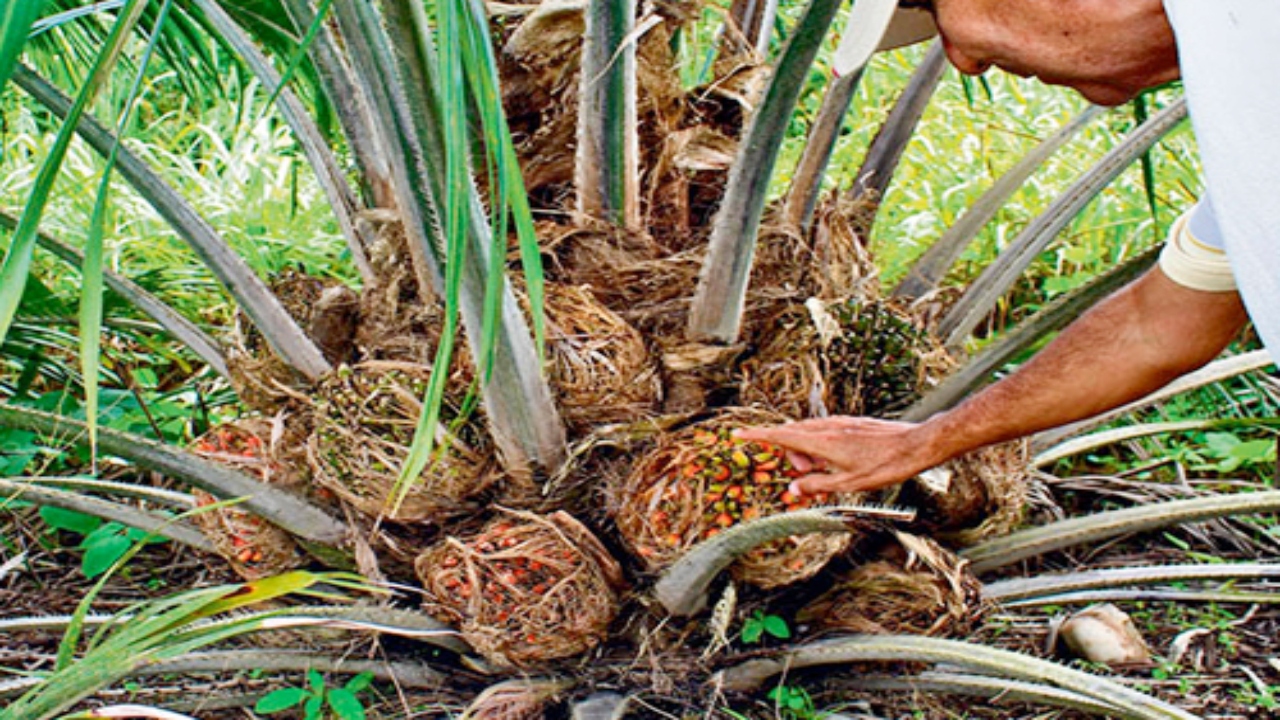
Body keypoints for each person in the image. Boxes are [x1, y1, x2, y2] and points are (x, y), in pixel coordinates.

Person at [738, 0, 1280, 497]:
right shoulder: (1249, 106)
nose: (965, 61)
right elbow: (1154, 327)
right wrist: (922, 441)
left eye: (932, 5)